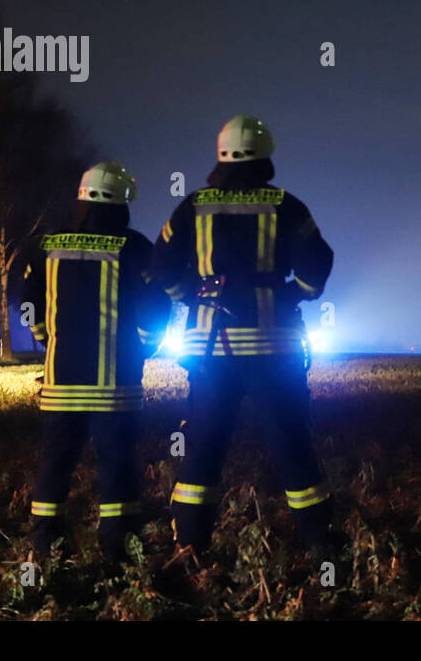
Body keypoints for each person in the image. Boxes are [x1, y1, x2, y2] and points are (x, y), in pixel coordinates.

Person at [151, 114, 337, 555]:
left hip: (210, 351)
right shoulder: (287, 206)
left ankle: (190, 546)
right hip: (275, 350)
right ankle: (317, 543)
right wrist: (296, 295)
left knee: (204, 446)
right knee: (292, 443)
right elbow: (318, 265)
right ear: (266, 156)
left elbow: (162, 268)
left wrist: (189, 296)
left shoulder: (193, 205)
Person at [23, 161, 169, 562]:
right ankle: (117, 546)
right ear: (122, 203)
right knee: (117, 466)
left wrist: (46, 339)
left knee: (54, 464)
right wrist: (144, 347)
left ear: (81, 200)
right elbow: (157, 307)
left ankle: (44, 543)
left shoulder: (45, 247)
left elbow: (28, 304)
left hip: (61, 383)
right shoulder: (138, 248)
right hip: (115, 387)